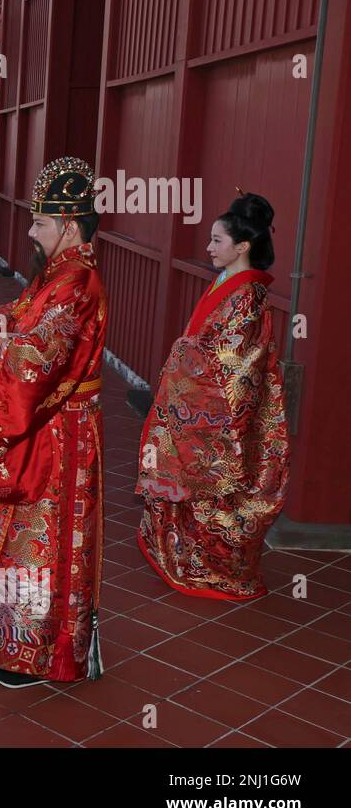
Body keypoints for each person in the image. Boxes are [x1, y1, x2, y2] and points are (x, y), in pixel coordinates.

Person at [0, 156, 107, 689]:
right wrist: (1, 322)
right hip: (42, 425)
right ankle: (15, 641)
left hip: (58, 433)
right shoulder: (58, 276)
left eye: (40, 223)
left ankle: (41, 651)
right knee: (15, 540)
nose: (32, 231)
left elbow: (35, 364)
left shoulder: (79, 282)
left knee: (40, 543)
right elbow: (25, 321)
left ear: (69, 224)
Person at [137, 192, 290, 600]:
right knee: (189, 483)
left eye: (217, 241)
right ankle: (184, 556)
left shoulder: (250, 297)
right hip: (198, 401)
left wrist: (183, 357)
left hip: (221, 412)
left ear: (243, 246)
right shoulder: (228, 285)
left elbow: (235, 363)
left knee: (214, 487)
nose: (209, 248)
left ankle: (210, 568)